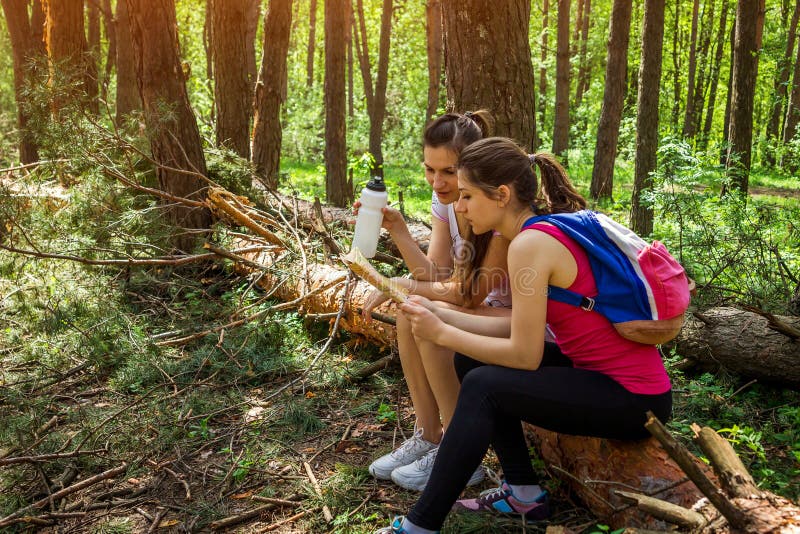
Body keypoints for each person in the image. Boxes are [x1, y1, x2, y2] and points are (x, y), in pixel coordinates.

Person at [376, 137, 672, 534]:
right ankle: (524, 492)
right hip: (601, 377)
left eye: (466, 196)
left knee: (484, 384)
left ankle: (419, 526)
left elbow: (525, 355)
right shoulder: (536, 234)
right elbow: (514, 327)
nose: (458, 207)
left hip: (634, 399)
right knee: (471, 362)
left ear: (501, 195)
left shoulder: (531, 244)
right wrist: (436, 312)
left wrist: (443, 330)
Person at [357, 111, 512, 492]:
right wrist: (398, 230)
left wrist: (398, 283)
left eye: (449, 171)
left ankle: (462, 453)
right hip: (481, 305)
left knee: (418, 306)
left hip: (512, 313)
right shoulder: (446, 203)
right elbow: (436, 274)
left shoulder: (492, 203)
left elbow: (467, 292)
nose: (437, 181)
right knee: (411, 308)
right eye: (430, 169)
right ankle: (429, 434)